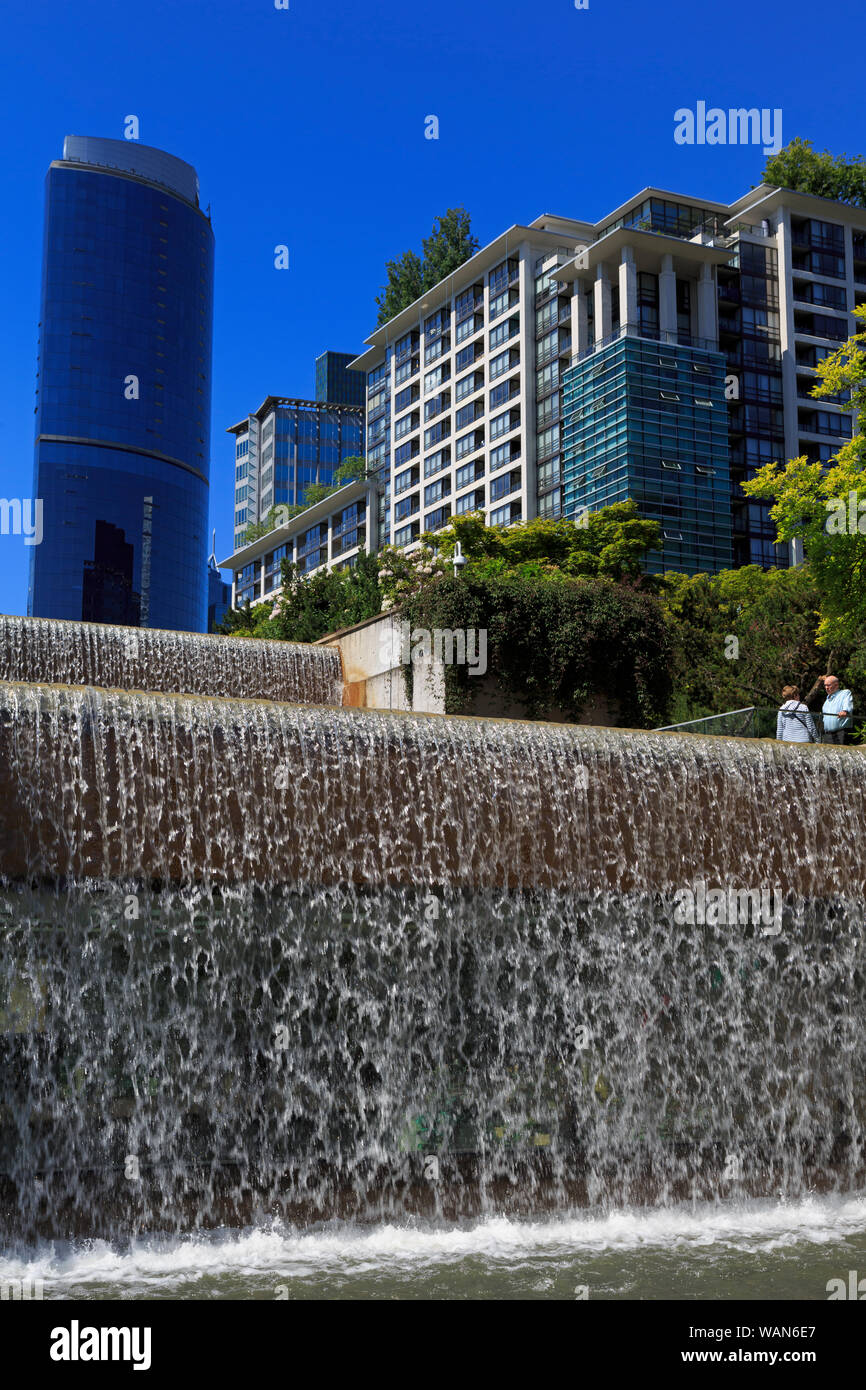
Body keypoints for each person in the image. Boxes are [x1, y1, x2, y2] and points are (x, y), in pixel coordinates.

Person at [818, 674, 854, 745]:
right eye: (825, 685)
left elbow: (847, 703)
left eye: (828, 685)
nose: (826, 687)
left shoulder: (845, 693)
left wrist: (845, 711)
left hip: (841, 733)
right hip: (827, 735)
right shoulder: (826, 702)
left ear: (836, 685)